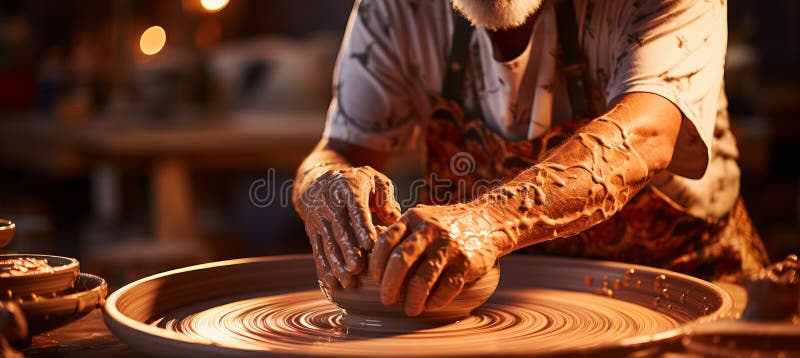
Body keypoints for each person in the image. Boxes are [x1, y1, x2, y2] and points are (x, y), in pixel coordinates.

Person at [292, 0, 771, 317]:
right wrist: (321, 184)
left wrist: (489, 221)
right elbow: (340, 150)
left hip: (681, 293)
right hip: (500, 312)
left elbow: (647, 136)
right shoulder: (398, 8)